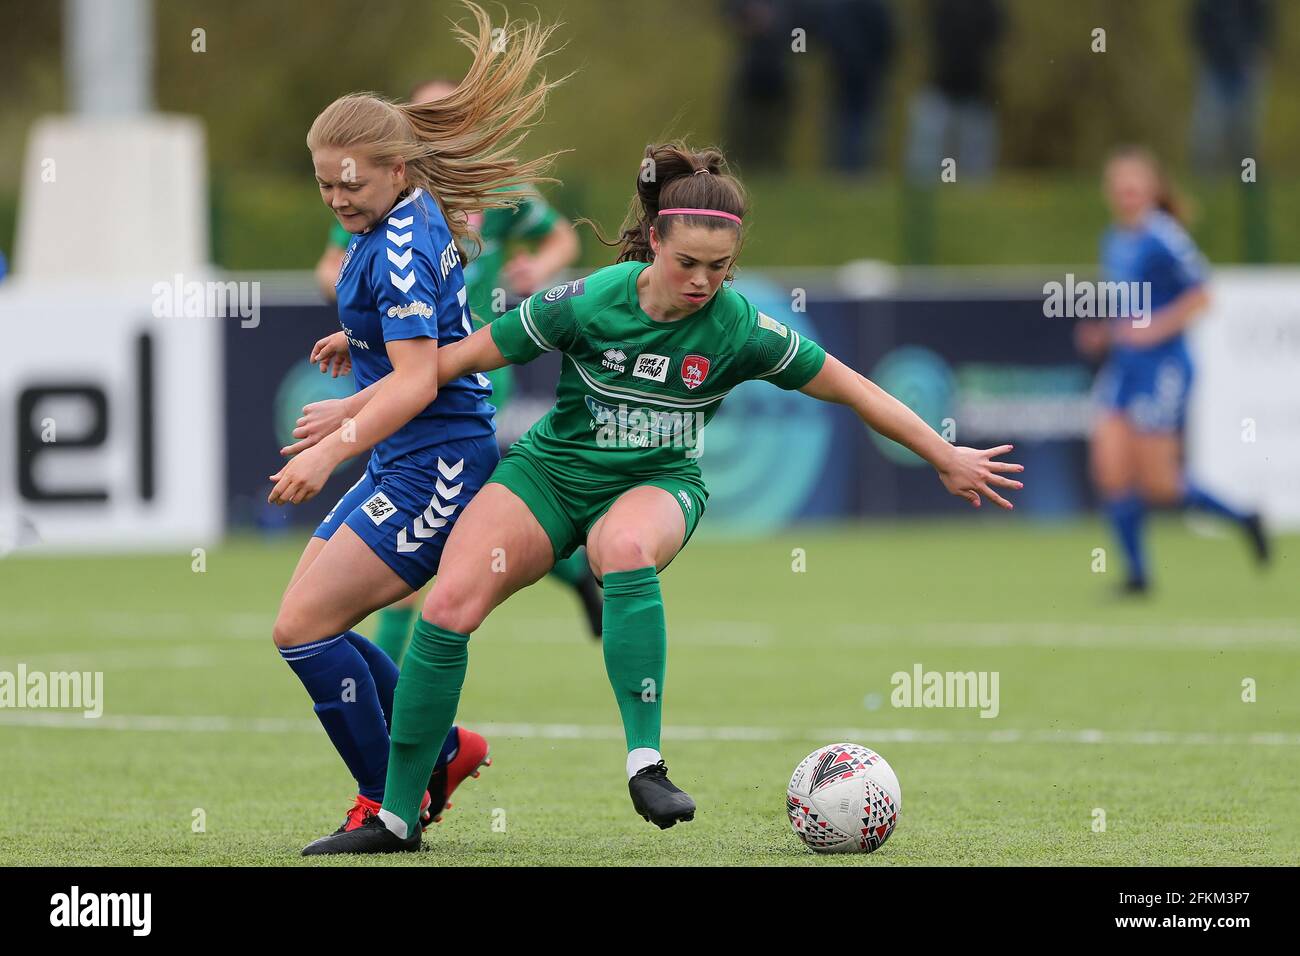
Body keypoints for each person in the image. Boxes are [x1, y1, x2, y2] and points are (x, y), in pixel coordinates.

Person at [294, 142, 1025, 855]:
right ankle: (395, 818)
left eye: (719, 268)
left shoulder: (739, 327)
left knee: (623, 548)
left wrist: (944, 453)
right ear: (653, 242)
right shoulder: (588, 302)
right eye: (687, 264)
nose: (703, 282)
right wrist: (368, 344)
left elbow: (854, 386)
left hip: (658, 484)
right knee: (448, 608)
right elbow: (458, 357)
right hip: (548, 473)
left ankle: (646, 764)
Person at [269, 1, 561, 840]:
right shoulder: (406, 213)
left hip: (433, 461)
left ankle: (392, 801)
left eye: (350, 183)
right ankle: (437, 756)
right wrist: (354, 338)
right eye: (324, 184)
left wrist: (331, 449)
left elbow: (415, 382)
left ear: (397, 168)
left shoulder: (396, 244)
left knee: (303, 629)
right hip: (409, 454)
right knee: (306, 627)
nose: (336, 197)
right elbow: (420, 340)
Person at [312, 79, 599, 658]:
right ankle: (570, 564)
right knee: (477, 528)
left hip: (461, 381)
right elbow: (335, 268)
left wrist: (536, 268)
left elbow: (563, 241)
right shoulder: (364, 190)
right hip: (415, 366)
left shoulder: (490, 194)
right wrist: (368, 324)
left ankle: (412, 734)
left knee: (416, 571)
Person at [1075, 146, 1269, 594]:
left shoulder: (1164, 235)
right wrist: (1107, 333)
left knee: (1160, 484)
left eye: (1135, 187)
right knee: (1109, 466)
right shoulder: (1114, 239)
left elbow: (1203, 295)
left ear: (1152, 189)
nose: (1127, 195)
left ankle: (1244, 518)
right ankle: (1138, 576)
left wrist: (1152, 330)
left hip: (1164, 368)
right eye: (1120, 187)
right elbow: (1133, 307)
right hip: (1125, 368)